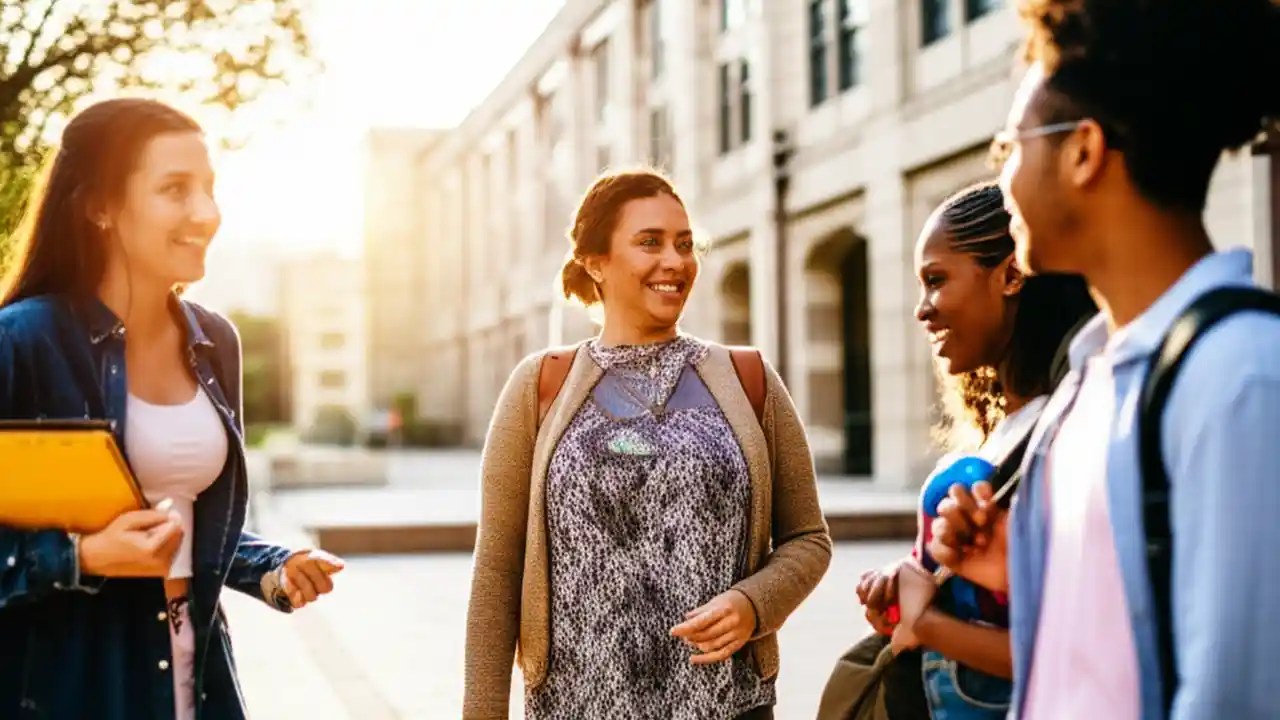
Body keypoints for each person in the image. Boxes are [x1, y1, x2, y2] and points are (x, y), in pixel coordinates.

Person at [928, 2, 1280, 718]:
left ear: (1083, 151)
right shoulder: (1089, 379)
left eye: (1009, 148)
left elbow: (1234, 695)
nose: (1004, 181)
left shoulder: (1239, 375)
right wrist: (1023, 569)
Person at [0, 98, 345, 720]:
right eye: (174, 190)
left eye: (209, 189)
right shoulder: (22, 341)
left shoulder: (215, 341)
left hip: (198, 679)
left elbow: (183, 519)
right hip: (71, 690)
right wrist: (80, 555)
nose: (206, 214)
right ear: (99, 206)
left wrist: (273, 565)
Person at [462, 168, 831, 719]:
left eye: (685, 244)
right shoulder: (539, 387)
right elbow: (497, 571)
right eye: (649, 242)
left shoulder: (747, 378)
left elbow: (808, 538)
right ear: (595, 262)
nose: (676, 262)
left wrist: (755, 605)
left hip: (728, 707)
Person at [855, 182, 1094, 719]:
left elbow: (1072, 649)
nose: (922, 310)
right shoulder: (1008, 431)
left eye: (936, 281)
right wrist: (913, 582)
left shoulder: (1068, 434)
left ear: (1011, 275)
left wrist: (926, 623)